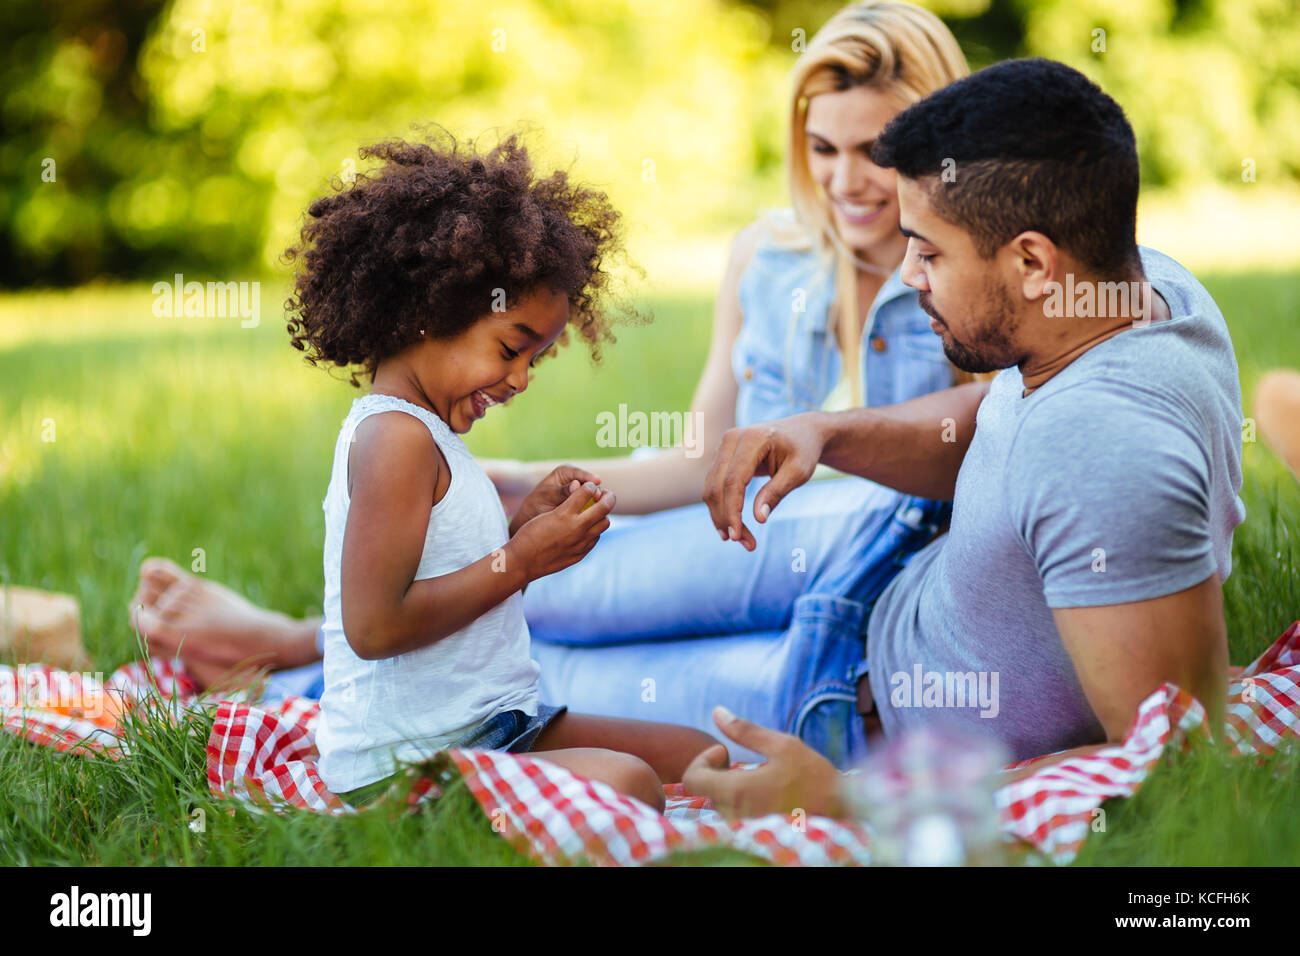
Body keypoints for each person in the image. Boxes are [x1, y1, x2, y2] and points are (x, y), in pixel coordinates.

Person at [129, 0, 977, 768]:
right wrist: (524, 481)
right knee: (559, 586)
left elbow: (972, 444)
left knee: (570, 608)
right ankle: (308, 658)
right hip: (726, 525)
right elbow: (698, 460)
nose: (842, 180)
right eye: (823, 149)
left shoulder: (960, 272)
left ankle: (294, 650)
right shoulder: (769, 254)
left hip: (858, 542)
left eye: (875, 151)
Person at [682, 57, 1245, 818]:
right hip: (880, 583)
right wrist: (824, 430)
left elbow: (1170, 768)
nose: (908, 275)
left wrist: (846, 799)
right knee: (553, 602)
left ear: (1033, 261)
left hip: (848, 716)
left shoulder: (1104, 452)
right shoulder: (1139, 290)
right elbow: (994, 425)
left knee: (532, 690)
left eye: (930, 251)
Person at [278, 130, 719, 809]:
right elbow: (375, 628)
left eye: (535, 361)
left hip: (498, 725)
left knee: (699, 755)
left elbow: (443, 571)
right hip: (408, 763)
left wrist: (524, 525)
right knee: (631, 784)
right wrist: (519, 561)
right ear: (431, 311)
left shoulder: (431, 433)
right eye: (512, 348)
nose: (519, 380)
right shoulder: (395, 436)